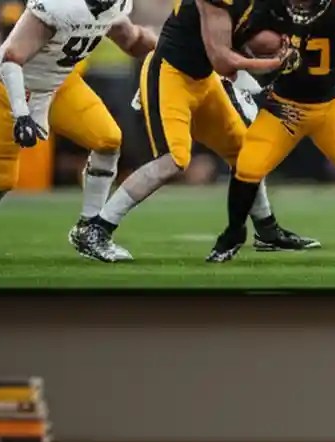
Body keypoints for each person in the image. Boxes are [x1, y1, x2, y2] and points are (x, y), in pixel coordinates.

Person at [69, 0, 317, 262]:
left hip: (203, 79)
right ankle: (96, 229)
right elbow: (222, 60)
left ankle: (267, 231)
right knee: (173, 160)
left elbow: (246, 34)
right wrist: (272, 64)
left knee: (246, 153)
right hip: (171, 74)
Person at [0, 0, 158, 264]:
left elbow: (132, 39)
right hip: (14, 89)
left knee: (108, 139)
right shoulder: (59, 5)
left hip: (60, 84)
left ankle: (89, 230)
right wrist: (22, 114)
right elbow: (11, 58)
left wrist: (168, 47)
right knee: (1, 180)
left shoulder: (112, 6)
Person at [207, 0, 335, 264]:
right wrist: (261, 55)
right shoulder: (271, 7)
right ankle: (234, 233)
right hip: (286, 107)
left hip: (331, 106)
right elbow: (238, 35)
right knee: (248, 166)